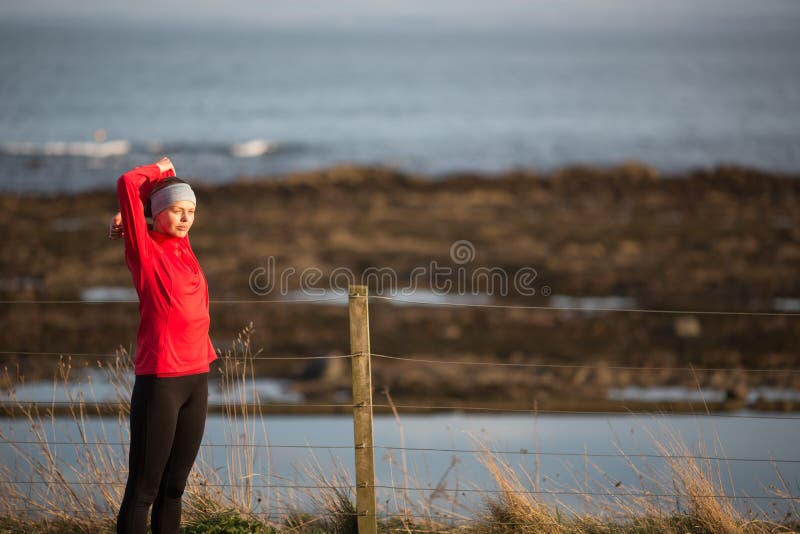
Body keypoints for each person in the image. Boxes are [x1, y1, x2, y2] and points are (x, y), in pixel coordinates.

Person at [109, 157, 217, 534]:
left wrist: (166, 188)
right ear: (157, 214)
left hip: (196, 377)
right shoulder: (146, 251)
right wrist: (160, 168)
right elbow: (127, 182)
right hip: (161, 381)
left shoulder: (184, 248)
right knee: (144, 489)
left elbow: (162, 201)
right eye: (177, 211)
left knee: (175, 489)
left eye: (191, 211)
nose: (186, 219)